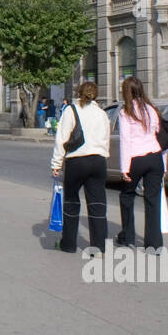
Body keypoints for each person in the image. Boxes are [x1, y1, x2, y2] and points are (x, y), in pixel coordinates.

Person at [50, 81, 110, 254]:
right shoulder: (101, 114)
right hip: (98, 161)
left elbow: (61, 138)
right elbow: (105, 139)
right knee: (98, 204)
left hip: (77, 161)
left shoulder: (71, 111)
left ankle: (68, 244)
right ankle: (98, 247)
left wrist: (56, 164)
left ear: (79, 93)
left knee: (71, 202)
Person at [116, 75, 165, 253]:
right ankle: (154, 244)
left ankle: (128, 237)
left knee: (127, 196)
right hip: (155, 157)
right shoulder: (151, 109)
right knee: (153, 201)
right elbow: (157, 133)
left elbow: (125, 141)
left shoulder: (125, 112)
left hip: (136, 158)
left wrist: (124, 168)